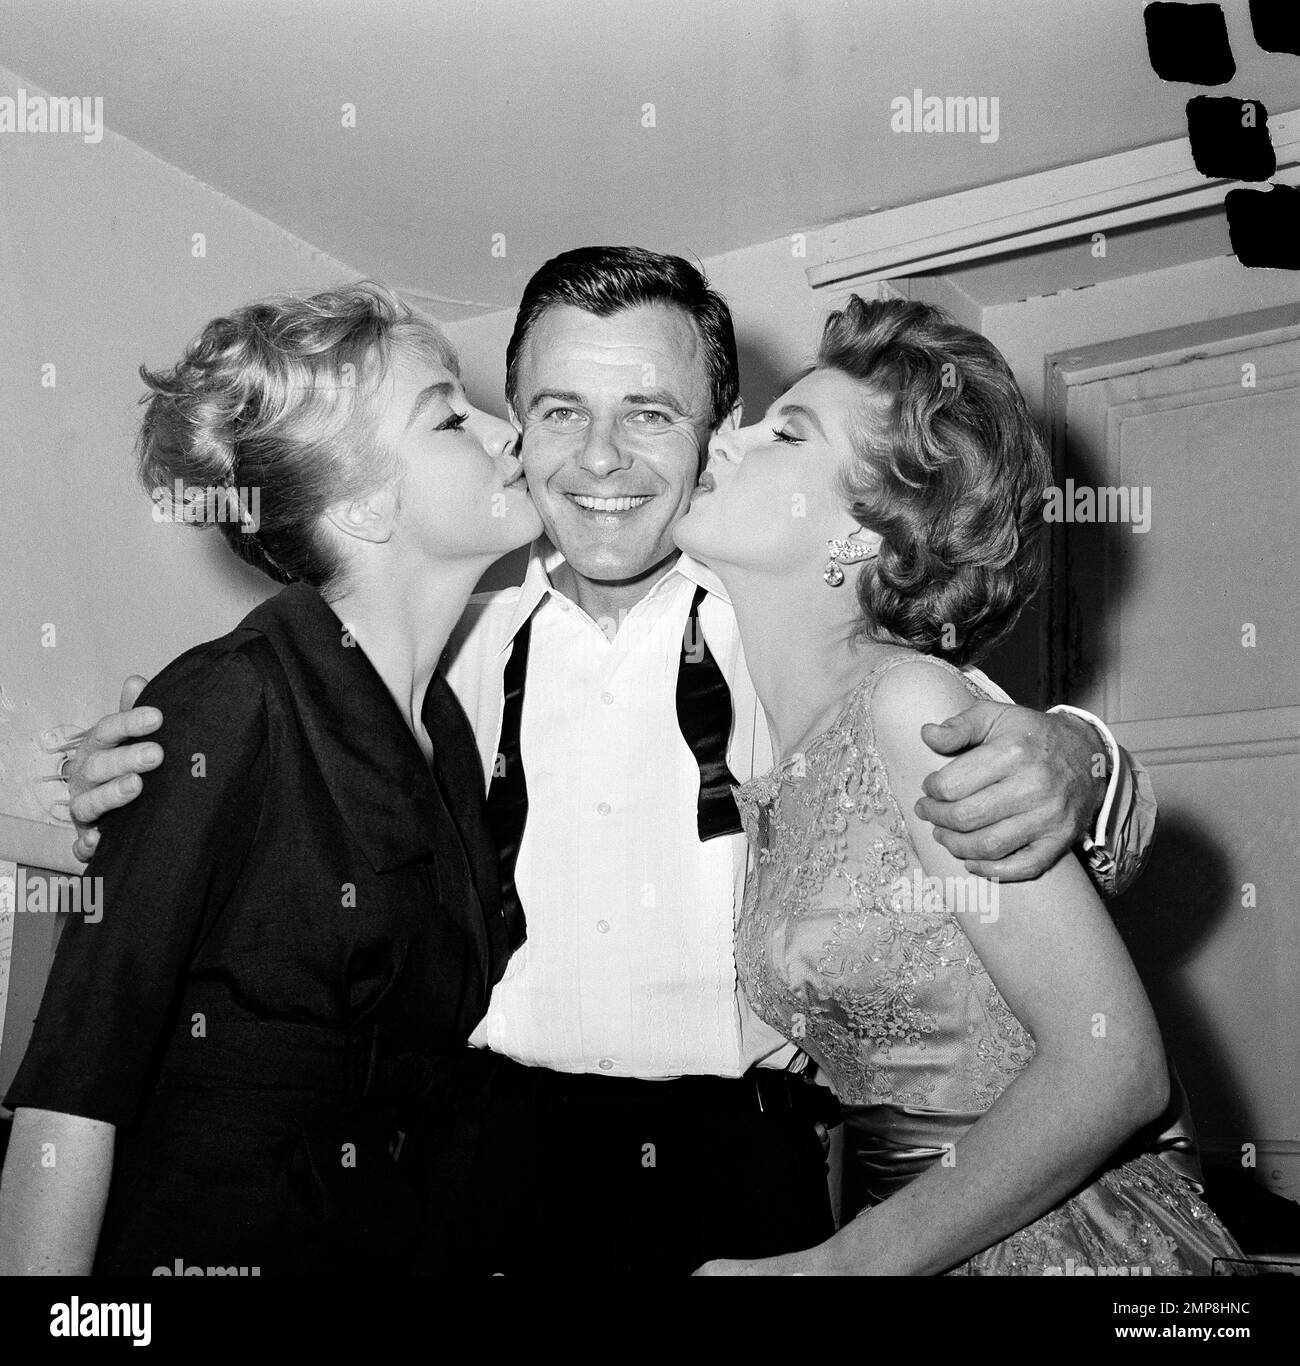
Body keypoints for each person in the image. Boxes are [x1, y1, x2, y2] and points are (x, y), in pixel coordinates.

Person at [64, 249, 1158, 1277]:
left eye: (648, 413)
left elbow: (1008, 775)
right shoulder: (446, 632)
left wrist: (1086, 759)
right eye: (558, 413)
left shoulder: (794, 617)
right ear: (514, 432)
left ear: (712, 433)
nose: (599, 459)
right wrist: (138, 781)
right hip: (473, 1155)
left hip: (740, 1163)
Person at [675, 295, 1244, 1275]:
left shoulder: (909, 708)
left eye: (784, 431)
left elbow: (1114, 1068)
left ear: (862, 534)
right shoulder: (783, 739)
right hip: (931, 1233)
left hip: (1066, 1244)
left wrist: (837, 1269)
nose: (727, 441)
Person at [0, 282, 539, 1275]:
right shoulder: (226, 702)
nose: (509, 434)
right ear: (370, 502)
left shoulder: (450, 738)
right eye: (451, 414)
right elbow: (69, 1094)